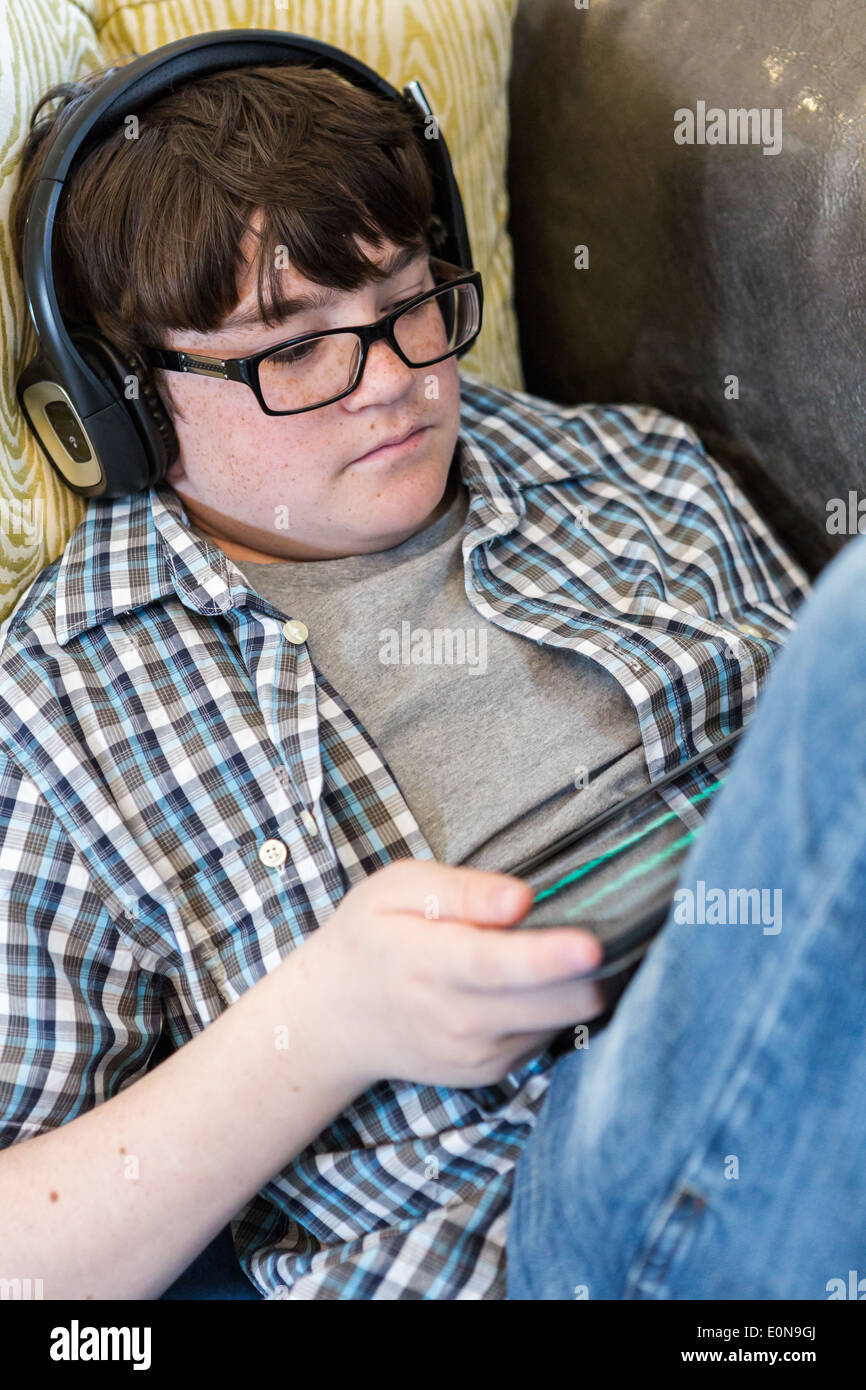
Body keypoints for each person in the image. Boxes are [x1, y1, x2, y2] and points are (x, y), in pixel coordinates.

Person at [0, 57, 814, 1301]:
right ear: (125, 409)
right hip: (548, 1220)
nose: (392, 378)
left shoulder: (630, 467)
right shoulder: (62, 710)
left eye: (405, 301)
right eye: (296, 348)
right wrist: (326, 1021)